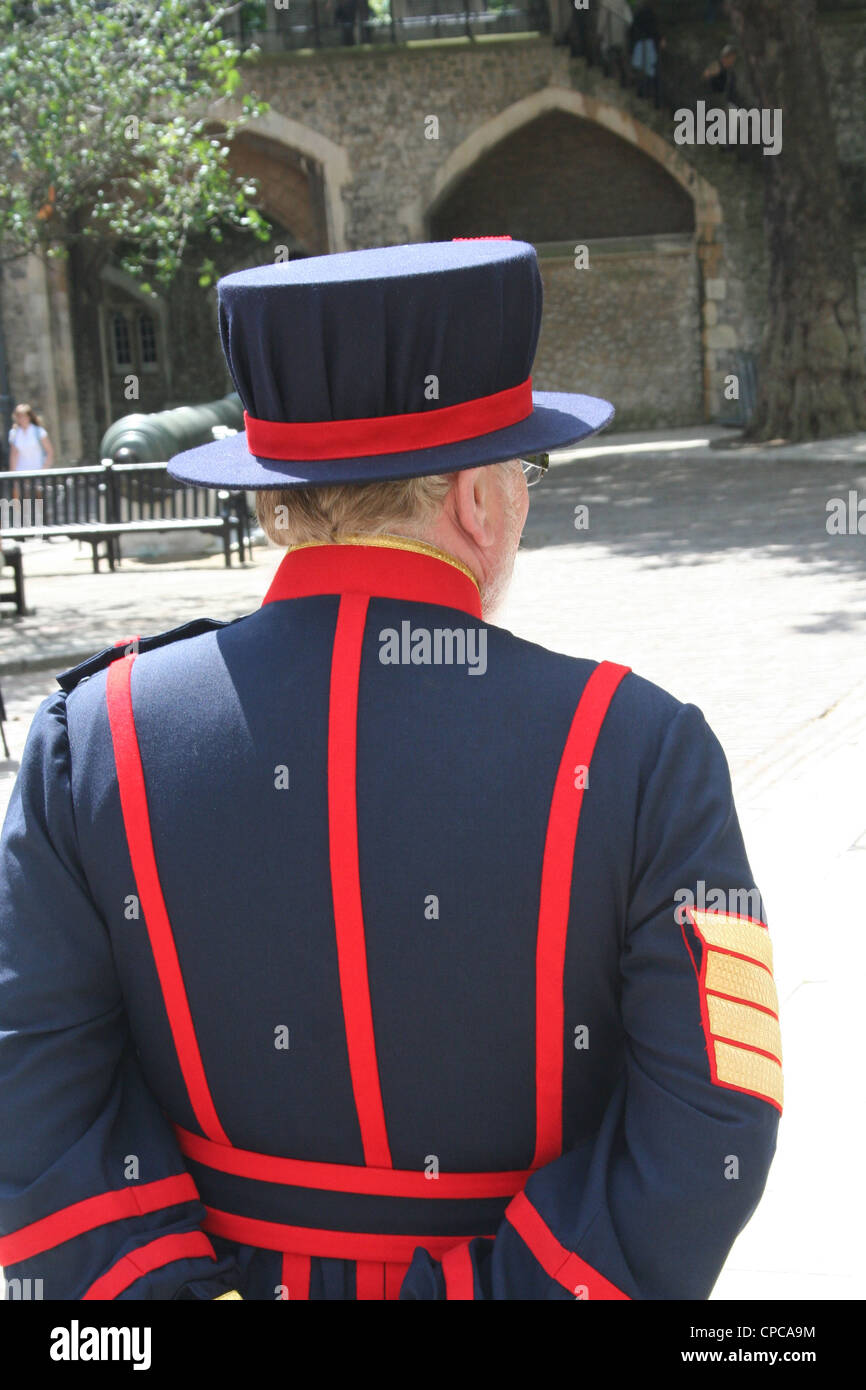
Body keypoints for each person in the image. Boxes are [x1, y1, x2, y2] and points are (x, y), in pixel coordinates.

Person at [0, 240, 781, 1300]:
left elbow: (29, 1095)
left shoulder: (87, 740)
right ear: (474, 498)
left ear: (280, 496)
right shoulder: (639, 746)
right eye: (523, 469)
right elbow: (718, 1109)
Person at [629, 0, 665, 101]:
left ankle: (642, 93)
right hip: (648, 44)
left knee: (642, 70)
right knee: (650, 71)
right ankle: (648, 95)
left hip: (639, 44)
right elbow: (653, 30)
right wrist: (659, 39)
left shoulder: (639, 15)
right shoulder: (650, 15)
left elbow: (632, 30)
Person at [7, 402, 54, 472]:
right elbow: (14, 455)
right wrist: (13, 475)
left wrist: (44, 470)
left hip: (38, 472)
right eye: (19, 417)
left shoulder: (39, 431)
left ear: (29, 417)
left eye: (24, 416)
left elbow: (50, 452)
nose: (21, 419)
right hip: (21, 473)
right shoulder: (14, 433)